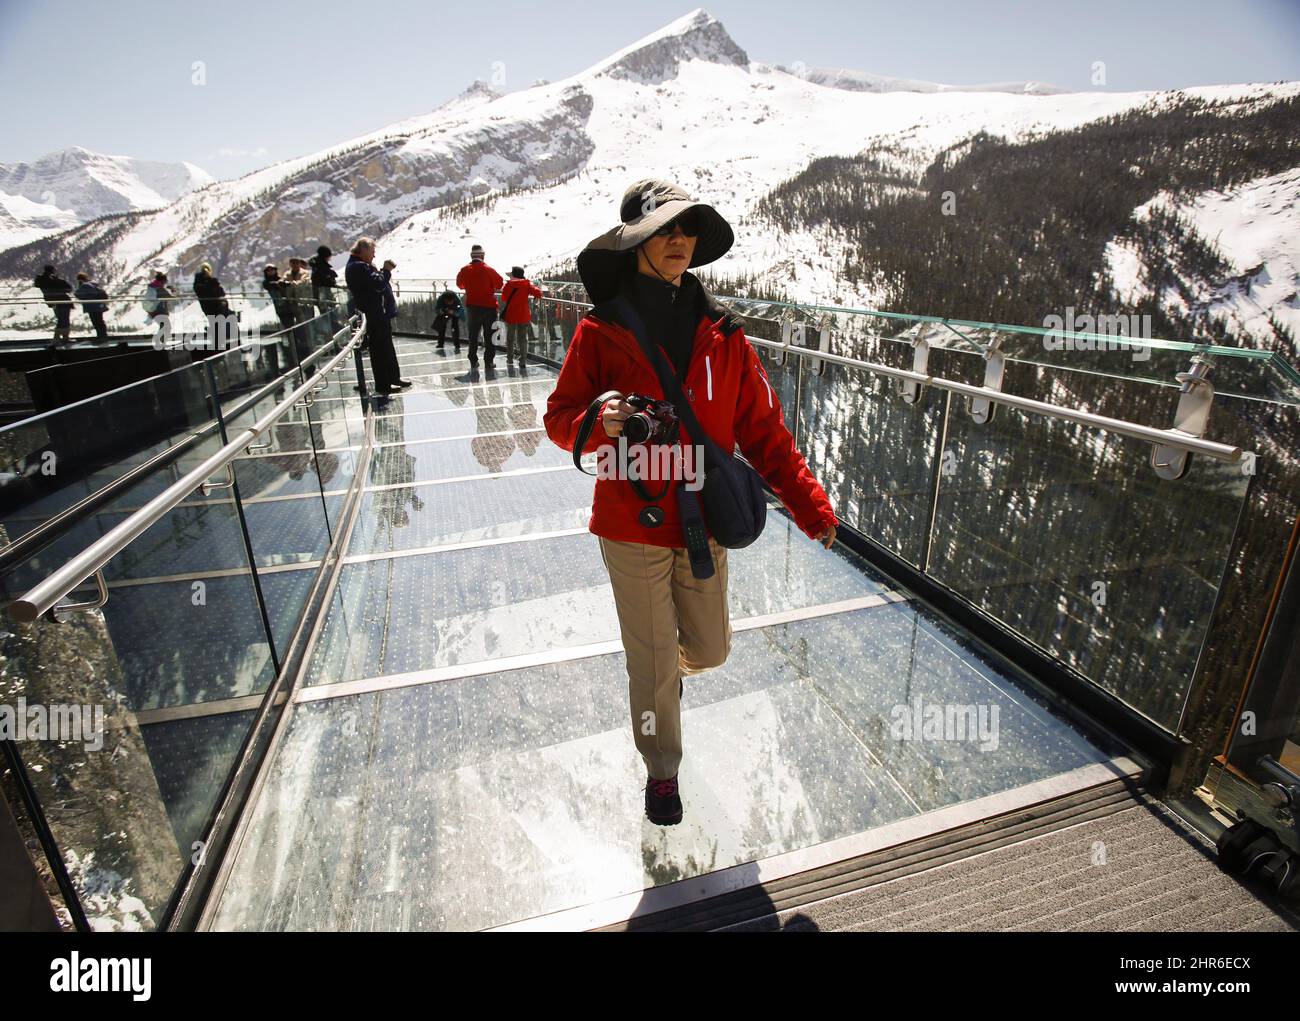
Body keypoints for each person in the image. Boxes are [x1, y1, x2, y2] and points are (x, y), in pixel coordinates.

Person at [544, 179, 838, 827]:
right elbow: (561, 417)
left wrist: (810, 505)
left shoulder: (724, 334)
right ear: (636, 242)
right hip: (630, 516)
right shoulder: (602, 330)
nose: (679, 240)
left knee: (708, 650)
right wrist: (600, 416)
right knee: (651, 660)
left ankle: (659, 668)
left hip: (700, 516)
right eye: (665, 229)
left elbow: (764, 432)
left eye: (688, 230)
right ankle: (663, 770)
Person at [345, 236, 411, 395]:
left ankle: (393, 377)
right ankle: (383, 385)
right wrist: (386, 270)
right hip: (375, 314)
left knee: (386, 348)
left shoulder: (361, 265)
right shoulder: (358, 267)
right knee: (380, 350)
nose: (374, 255)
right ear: (364, 250)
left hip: (379, 313)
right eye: (372, 251)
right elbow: (377, 284)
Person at [455, 243, 503, 373]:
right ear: (483, 255)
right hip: (489, 308)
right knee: (490, 336)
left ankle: (473, 360)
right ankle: (489, 362)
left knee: (473, 335)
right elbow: (499, 283)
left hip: (473, 308)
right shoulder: (489, 269)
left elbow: (460, 284)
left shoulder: (465, 270)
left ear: (471, 256)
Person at [499, 266, 542, 371]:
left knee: (510, 338)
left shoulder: (508, 285)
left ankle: (509, 359)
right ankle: (523, 361)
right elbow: (538, 293)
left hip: (511, 315)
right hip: (523, 315)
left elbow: (503, 298)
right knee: (522, 339)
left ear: (514, 275)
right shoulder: (526, 284)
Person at [284, 256, 315, 360]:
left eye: (295, 263)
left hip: (305, 304)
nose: (294, 266)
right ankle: (302, 353)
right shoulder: (287, 274)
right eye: (292, 264)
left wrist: (291, 284)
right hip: (293, 305)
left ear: (298, 264)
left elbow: (304, 282)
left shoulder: (305, 273)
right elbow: (283, 283)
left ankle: (312, 350)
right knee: (299, 330)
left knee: (308, 328)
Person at [33, 264, 73, 345]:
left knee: (62, 319)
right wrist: (57, 279)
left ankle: (62, 338)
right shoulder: (53, 280)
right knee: (63, 320)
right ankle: (59, 338)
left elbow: (39, 284)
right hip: (63, 301)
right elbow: (68, 288)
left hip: (53, 302)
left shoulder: (41, 280)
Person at [309, 244, 340, 329]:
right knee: (329, 315)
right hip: (323, 295)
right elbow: (325, 279)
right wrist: (331, 277)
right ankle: (333, 331)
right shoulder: (321, 267)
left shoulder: (316, 266)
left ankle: (331, 331)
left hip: (320, 295)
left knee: (326, 315)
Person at [73, 272, 110, 341]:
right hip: (99, 305)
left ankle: (101, 337)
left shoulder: (85, 285)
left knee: (96, 322)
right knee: (100, 321)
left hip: (92, 306)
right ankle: (103, 336)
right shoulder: (93, 284)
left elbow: (76, 293)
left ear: (80, 279)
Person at [262, 264, 294, 333]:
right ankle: (290, 339)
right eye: (269, 271)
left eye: (272, 270)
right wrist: (279, 284)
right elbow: (269, 285)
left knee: (292, 322)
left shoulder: (280, 278)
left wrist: (284, 283)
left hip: (288, 304)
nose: (270, 272)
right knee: (286, 324)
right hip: (279, 306)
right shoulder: (266, 282)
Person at [432, 288, 464, 353]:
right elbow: (437, 308)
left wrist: (454, 313)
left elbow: (461, 312)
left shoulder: (457, 300)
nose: (449, 303)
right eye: (447, 302)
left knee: (455, 327)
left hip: (454, 311)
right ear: (445, 300)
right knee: (442, 326)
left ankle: (457, 344)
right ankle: (440, 344)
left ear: (453, 300)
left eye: (450, 302)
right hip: (444, 311)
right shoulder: (441, 299)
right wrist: (440, 311)